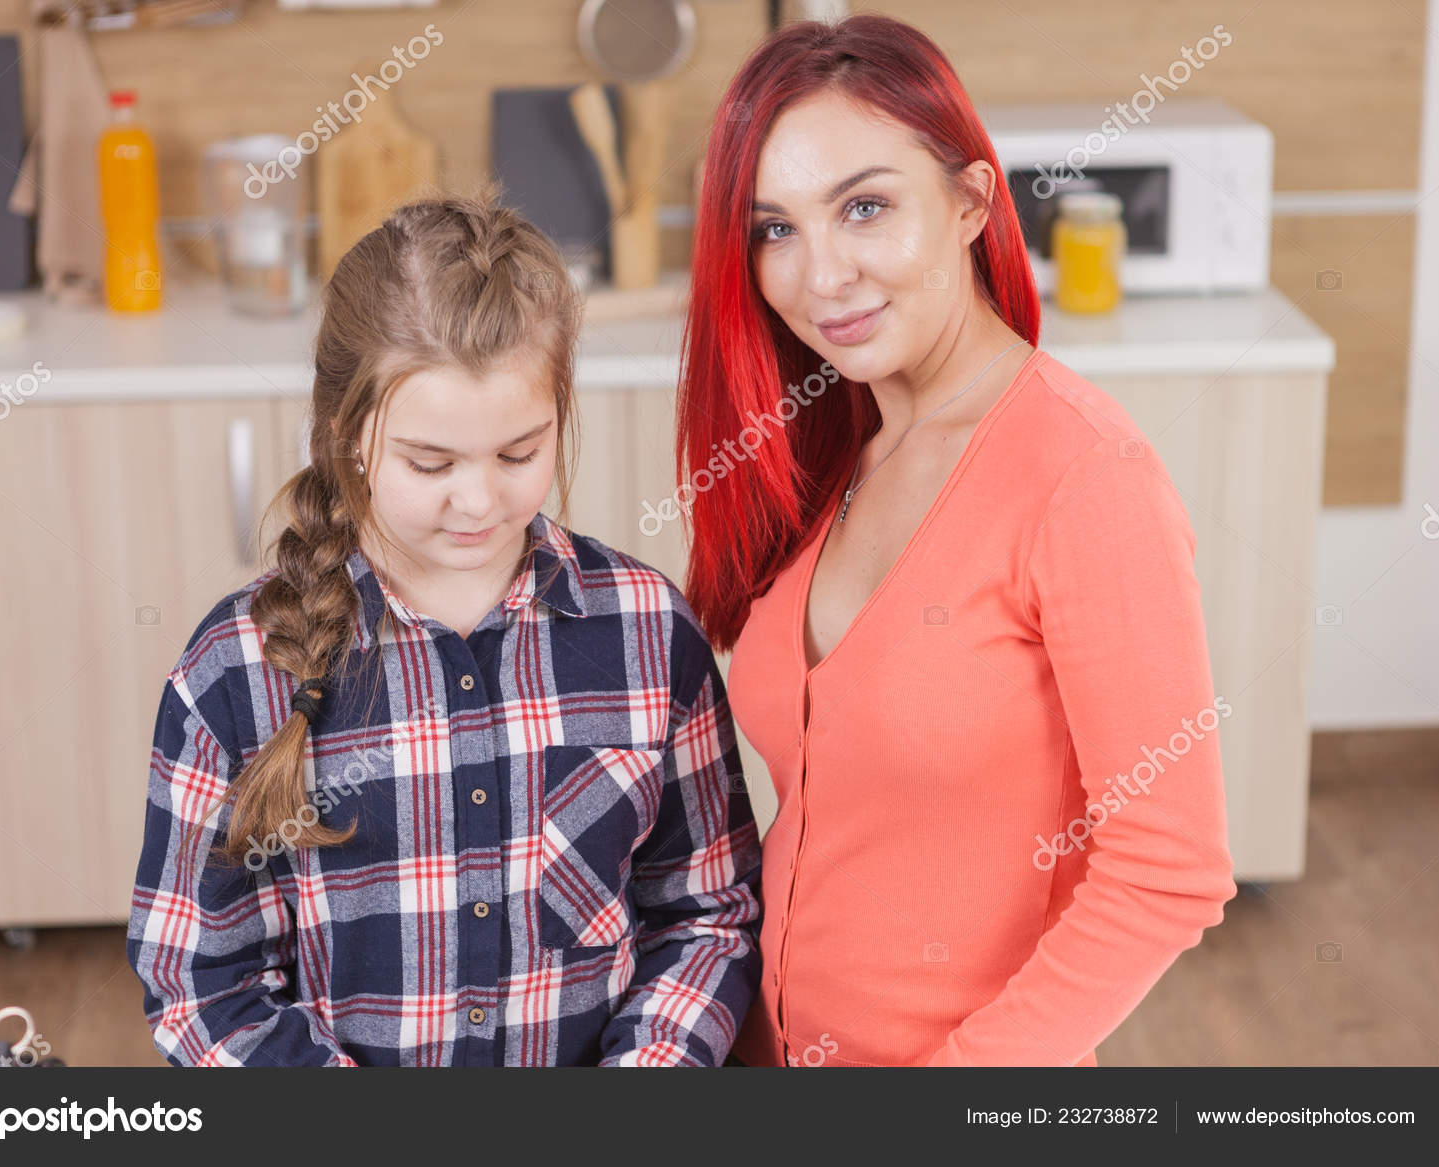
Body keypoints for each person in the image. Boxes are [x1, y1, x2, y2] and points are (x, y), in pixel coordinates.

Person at [678, 15, 1237, 1067]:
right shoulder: (832, 450)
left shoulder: (1083, 478)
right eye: (775, 229)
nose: (821, 274)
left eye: (865, 208)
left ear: (971, 201)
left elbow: (1168, 872)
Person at [127, 189, 762, 1066]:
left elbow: (706, 914)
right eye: (431, 462)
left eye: (519, 453)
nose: (479, 501)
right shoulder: (234, 674)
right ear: (348, 434)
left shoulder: (648, 636)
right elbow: (202, 989)